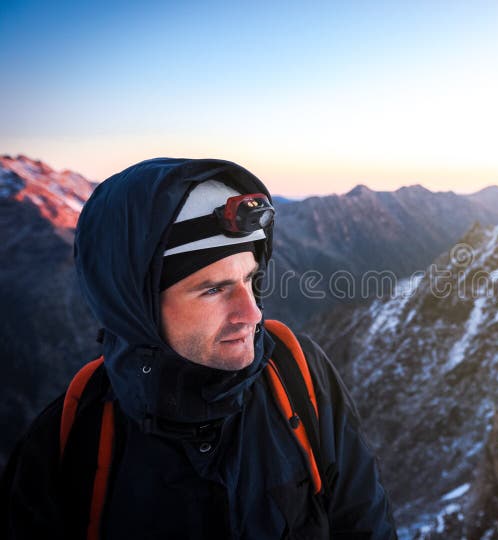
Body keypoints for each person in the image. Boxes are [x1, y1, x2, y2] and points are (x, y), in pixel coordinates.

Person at [0, 158, 397, 539]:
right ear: (137, 309)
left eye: (250, 279)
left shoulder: (298, 376)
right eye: (213, 289)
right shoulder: (67, 447)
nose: (253, 313)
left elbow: (363, 523)